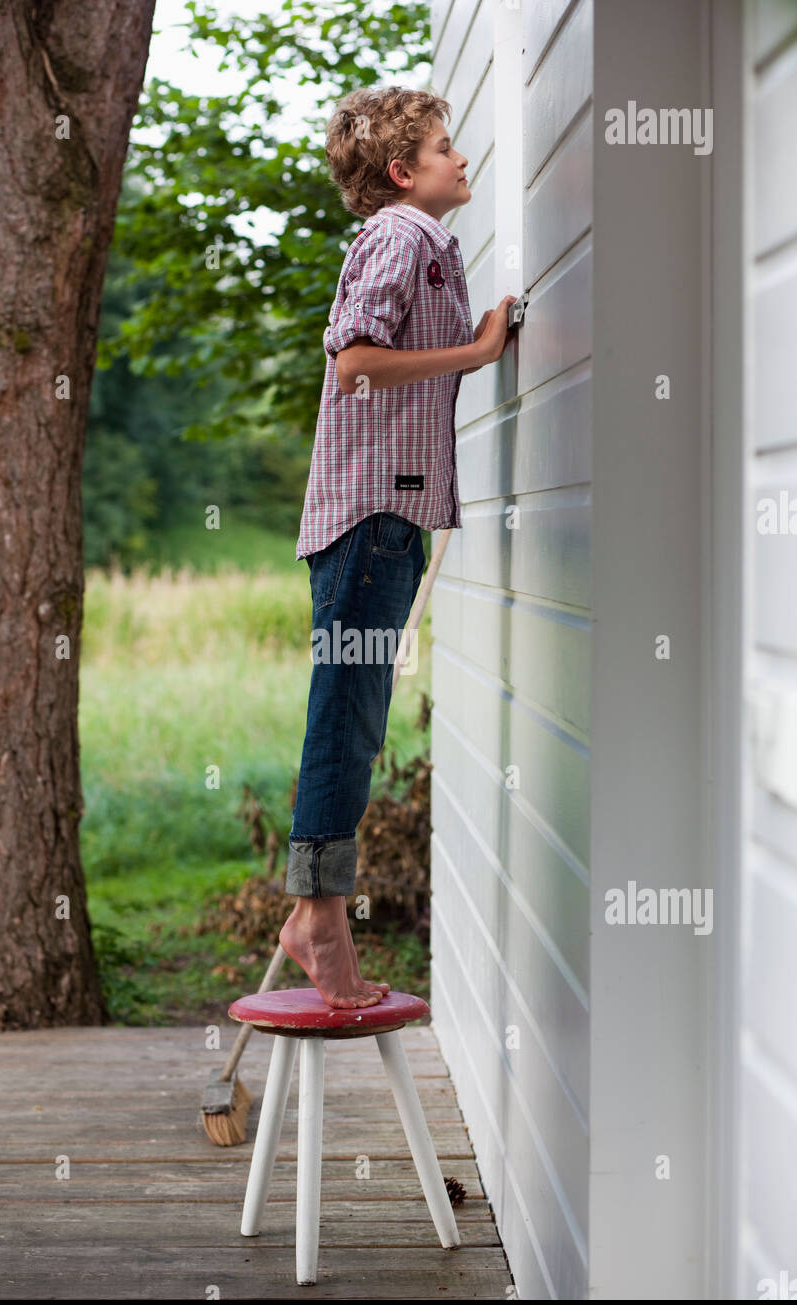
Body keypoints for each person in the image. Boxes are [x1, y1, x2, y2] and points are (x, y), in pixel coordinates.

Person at [279, 85, 516, 1008]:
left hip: (385, 522)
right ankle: (319, 917)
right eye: (446, 147)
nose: (463, 159)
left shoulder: (426, 247)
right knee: (344, 717)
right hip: (370, 522)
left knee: (357, 716)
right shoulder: (398, 238)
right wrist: (475, 352)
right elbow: (358, 363)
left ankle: (317, 906)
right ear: (401, 172)